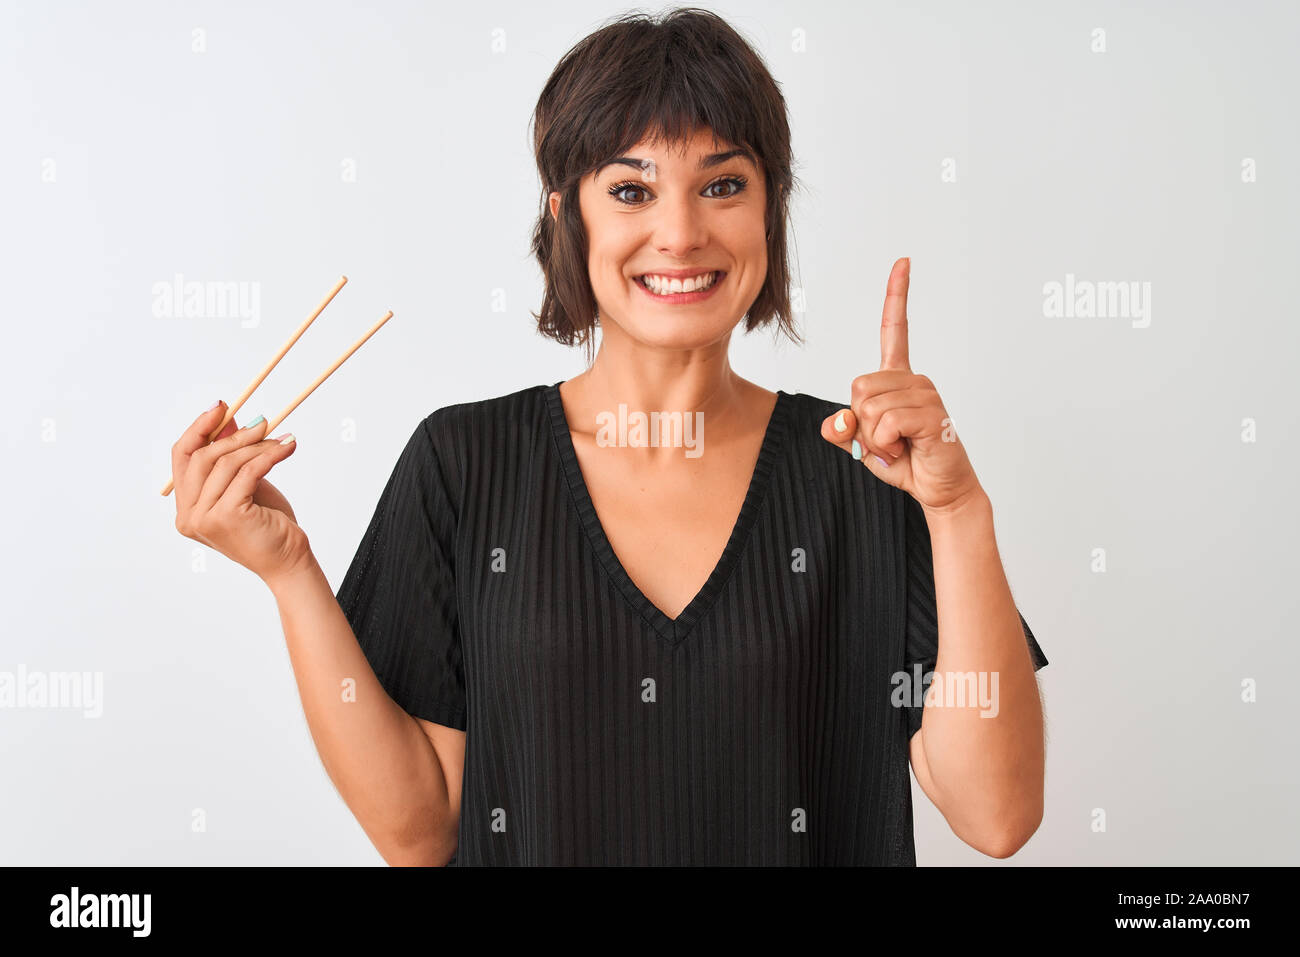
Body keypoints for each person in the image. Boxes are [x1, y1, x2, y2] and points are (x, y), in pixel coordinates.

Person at [170, 7, 1048, 866]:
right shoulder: (464, 465)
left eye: (724, 184)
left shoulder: (863, 469)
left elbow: (996, 815)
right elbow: (422, 829)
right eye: (631, 190)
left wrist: (958, 509)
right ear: (568, 214)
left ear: (769, 208)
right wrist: (289, 570)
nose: (680, 233)